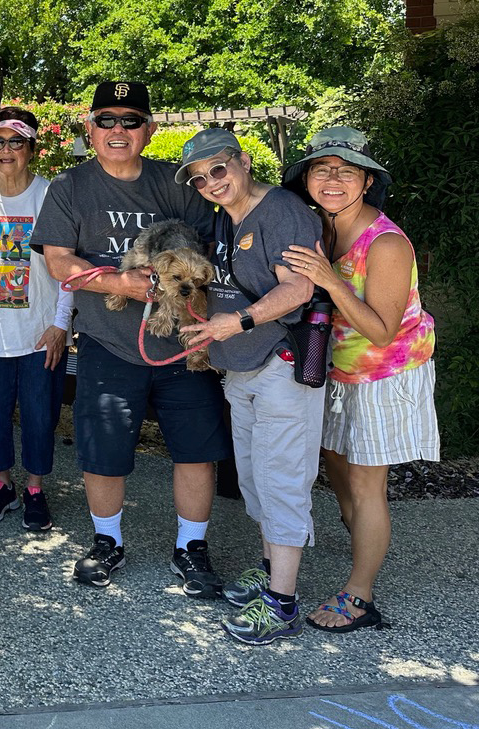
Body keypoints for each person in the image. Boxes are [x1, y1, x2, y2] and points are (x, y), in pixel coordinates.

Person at [31, 81, 232, 596]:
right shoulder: (69, 187)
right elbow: (58, 260)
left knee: (195, 450)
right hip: (109, 342)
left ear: (150, 128)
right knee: (104, 449)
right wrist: (118, 282)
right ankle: (107, 541)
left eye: (130, 120)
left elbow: (208, 250)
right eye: (106, 120)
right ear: (89, 126)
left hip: (187, 339)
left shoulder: (179, 183)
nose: (118, 130)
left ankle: (191, 547)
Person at [281, 126, 438, 634]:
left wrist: (328, 278)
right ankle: (364, 548)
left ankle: (361, 595)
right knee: (339, 470)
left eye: (346, 170)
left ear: (366, 182)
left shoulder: (387, 243)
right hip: (334, 369)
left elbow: (380, 328)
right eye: (322, 169)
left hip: (383, 373)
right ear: (306, 178)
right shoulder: (319, 227)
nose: (332, 178)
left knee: (369, 485)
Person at [176, 128, 323, 645]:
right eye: (199, 178)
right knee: (258, 480)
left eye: (218, 169)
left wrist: (236, 323)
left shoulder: (281, 210)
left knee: (282, 481)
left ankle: (283, 604)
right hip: (240, 370)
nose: (211, 183)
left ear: (242, 161)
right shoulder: (224, 218)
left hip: (279, 363)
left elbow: (299, 288)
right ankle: (268, 572)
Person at [0, 106, 73, 533]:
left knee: (39, 414)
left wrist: (62, 324)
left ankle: (34, 489)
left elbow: (67, 269)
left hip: (39, 331)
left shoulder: (50, 196)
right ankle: (0, 485)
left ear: (31, 148)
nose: (6, 150)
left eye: (15, 142)